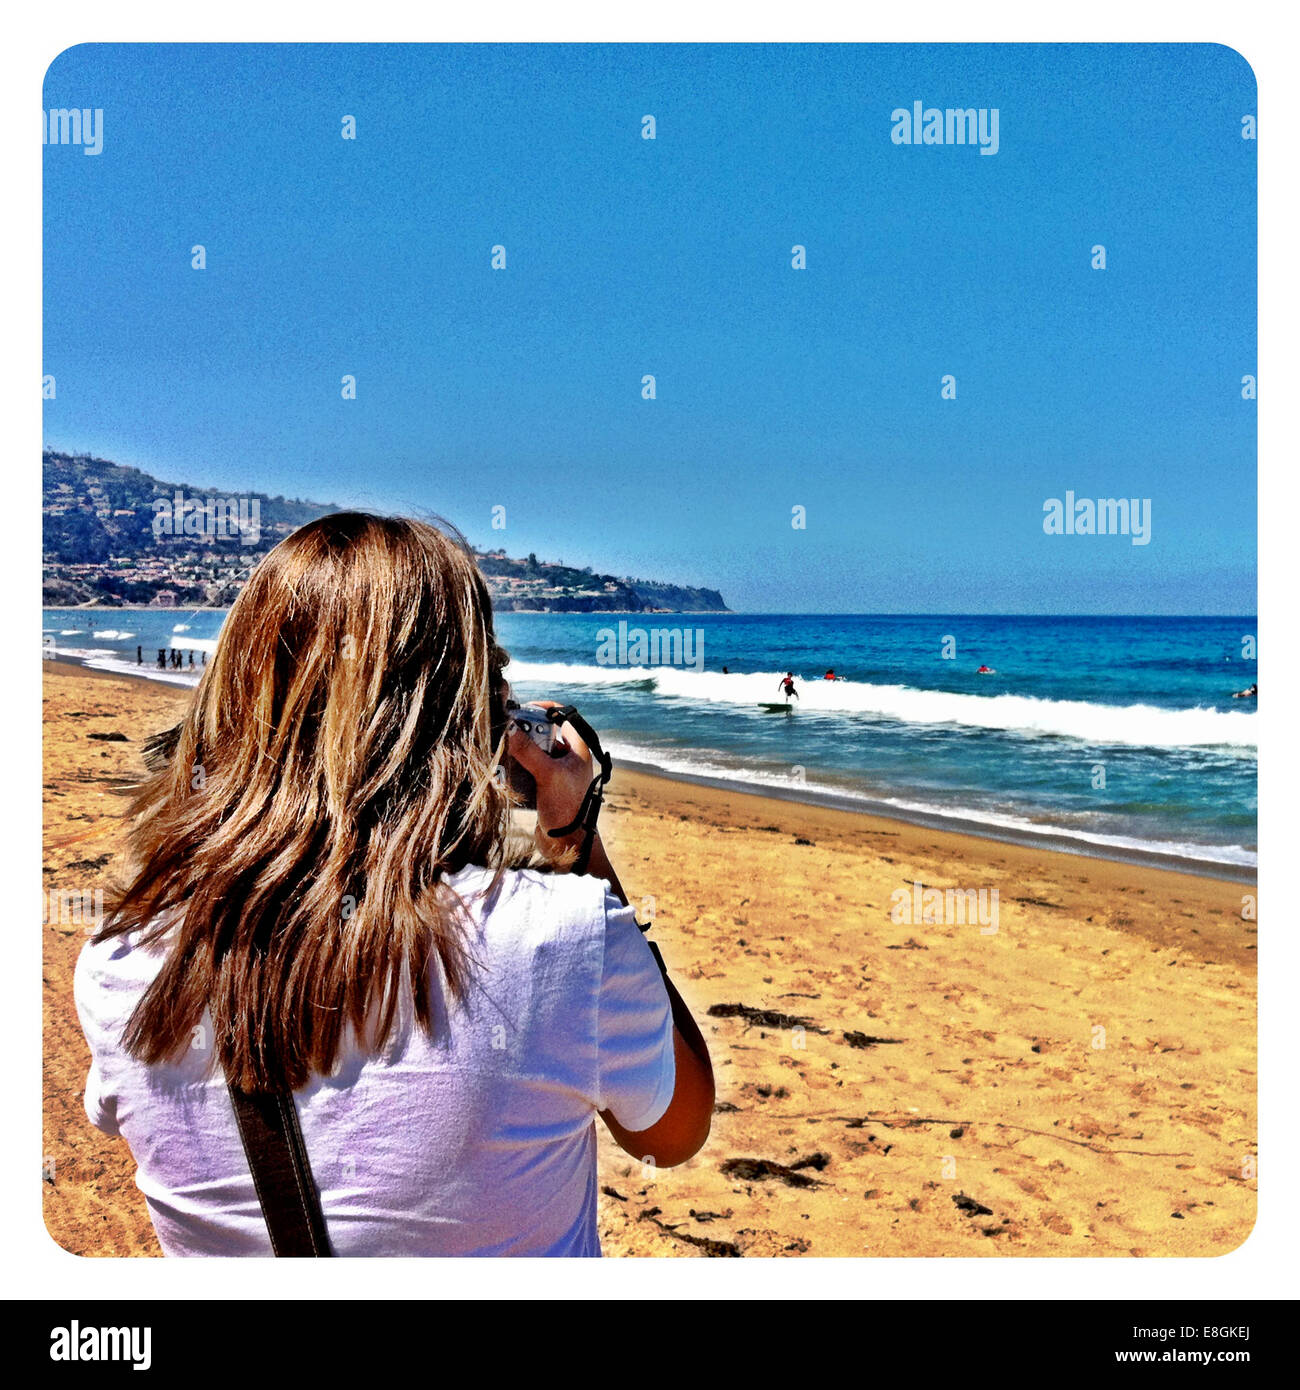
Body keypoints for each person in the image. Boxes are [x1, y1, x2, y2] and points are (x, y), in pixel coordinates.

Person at [75, 513, 714, 1257]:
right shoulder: (562, 938)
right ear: (468, 715)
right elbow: (672, 1133)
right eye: (492, 678)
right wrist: (575, 837)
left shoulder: (123, 963)